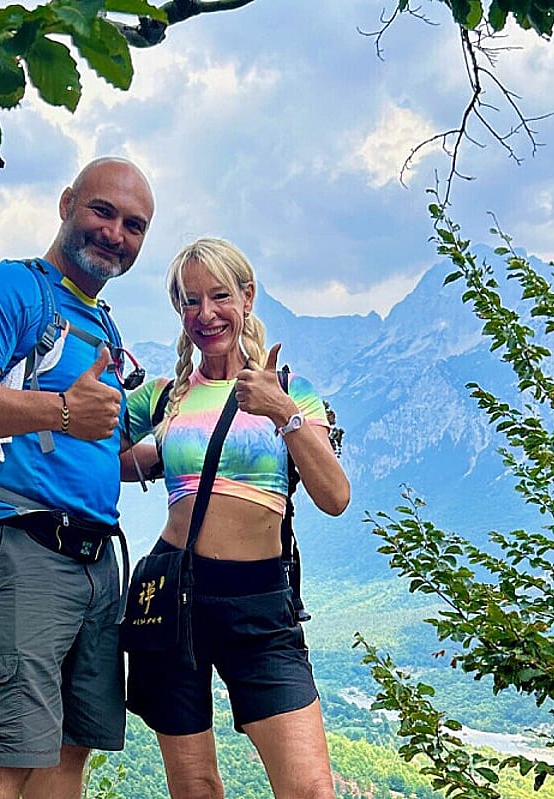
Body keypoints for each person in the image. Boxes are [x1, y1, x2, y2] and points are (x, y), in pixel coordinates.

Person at [0, 157, 154, 799]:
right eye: (103, 211)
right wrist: (61, 410)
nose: (115, 233)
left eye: (133, 225)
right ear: (65, 203)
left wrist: (162, 440)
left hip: (93, 559)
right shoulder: (8, 289)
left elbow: (88, 440)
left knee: (66, 751)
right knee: (6, 755)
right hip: (16, 546)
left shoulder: (99, 322)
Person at [122, 237, 351, 799]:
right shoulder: (160, 398)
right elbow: (99, 458)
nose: (206, 314)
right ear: (179, 310)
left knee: (310, 790)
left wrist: (282, 412)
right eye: (190, 301)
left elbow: (334, 495)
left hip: (260, 607)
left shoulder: (293, 392)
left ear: (247, 297)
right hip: (172, 599)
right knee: (195, 787)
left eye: (219, 296)